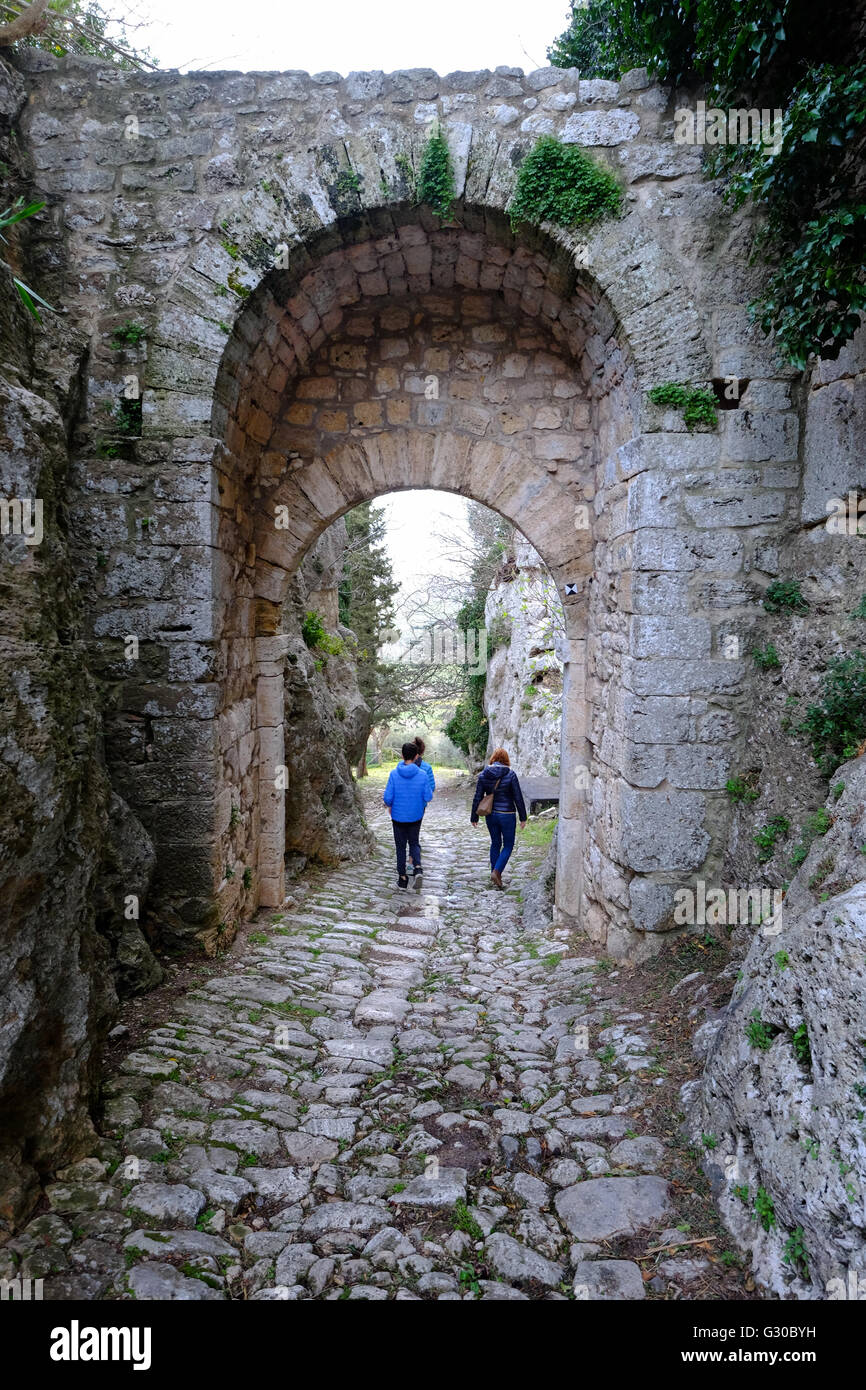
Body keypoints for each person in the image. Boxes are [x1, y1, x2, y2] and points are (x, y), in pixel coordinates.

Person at [470, 746, 527, 889]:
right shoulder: (511, 774)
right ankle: (497, 872)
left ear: (493, 759)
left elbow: (478, 797)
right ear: (506, 760)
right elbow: (518, 797)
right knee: (508, 845)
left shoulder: (484, 774)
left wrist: (474, 817)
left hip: (491, 814)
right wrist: (523, 817)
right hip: (507, 814)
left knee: (495, 843)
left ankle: (494, 874)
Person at [383, 741, 433, 891]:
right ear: (417, 756)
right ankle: (417, 867)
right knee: (414, 842)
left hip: (398, 817)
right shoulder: (423, 775)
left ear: (402, 755)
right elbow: (428, 796)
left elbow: (387, 798)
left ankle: (402, 879)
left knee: (400, 847)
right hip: (415, 816)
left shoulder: (393, 774)